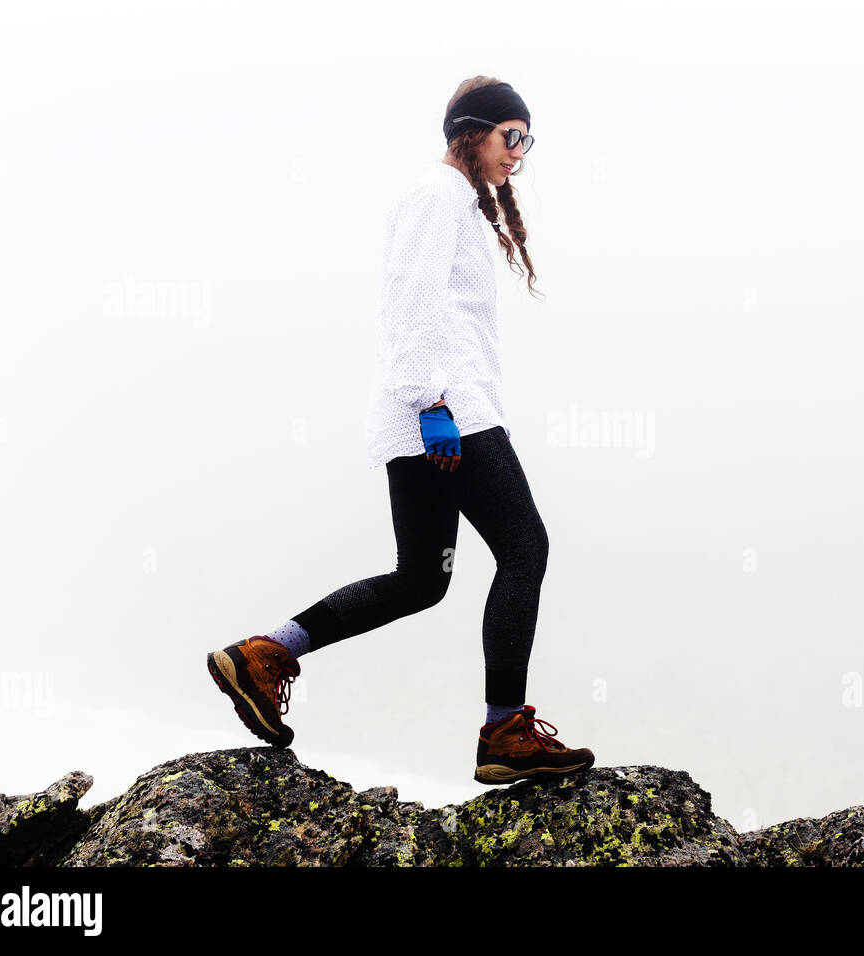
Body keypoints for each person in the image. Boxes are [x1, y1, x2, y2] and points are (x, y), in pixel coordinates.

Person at [205, 77, 594, 786]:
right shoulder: (435, 196)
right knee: (525, 546)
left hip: (425, 414)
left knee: (421, 578)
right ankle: (504, 729)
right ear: (472, 131)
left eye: (527, 140)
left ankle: (265, 654)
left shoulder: (454, 205)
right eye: (513, 135)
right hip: (448, 413)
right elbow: (410, 303)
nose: (520, 152)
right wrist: (433, 404)